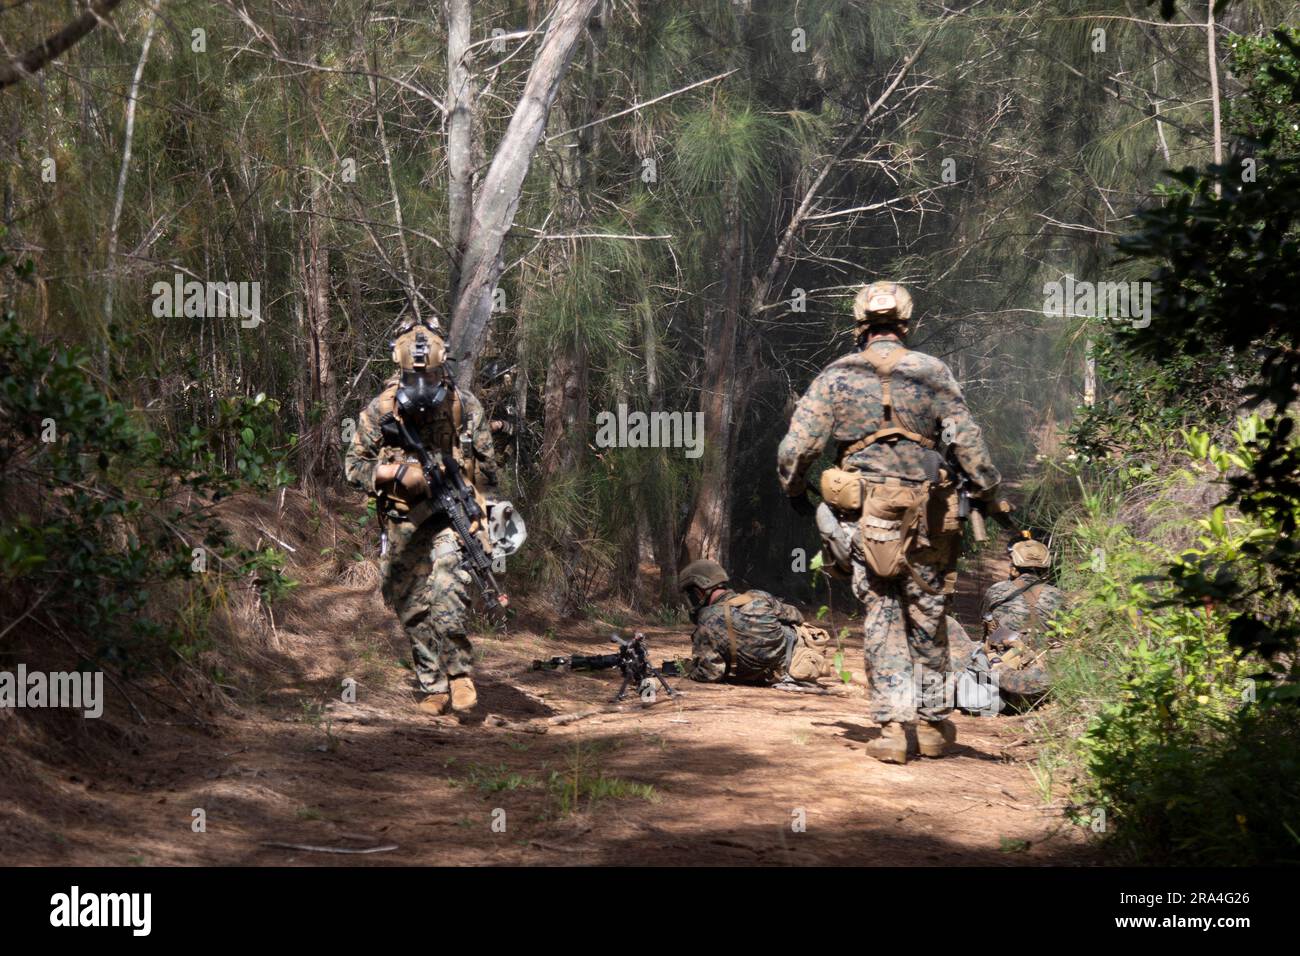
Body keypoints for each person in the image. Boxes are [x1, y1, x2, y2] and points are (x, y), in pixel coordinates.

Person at [777, 281, 1003, 763]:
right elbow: (968, 445)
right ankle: (934, 724)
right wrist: (988, 491)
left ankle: (895, 731)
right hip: (930, 519)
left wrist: (796, 493)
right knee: (928, 614)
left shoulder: (836, 376)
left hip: (866, 519)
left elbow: (797, 450)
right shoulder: (932, 372)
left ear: (860, 325)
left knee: (881, 616)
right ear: (905, 323)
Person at [344, 318, 500, 715]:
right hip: (403, 520)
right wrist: (396, 474)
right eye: (414, 372)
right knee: (410, 604)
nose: (421, 379)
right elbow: (353, 467)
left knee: (447, 586)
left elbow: (489, 471)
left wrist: (465, 485)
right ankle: (432, 685)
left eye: (428, 371)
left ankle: (460, 675)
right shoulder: (381, 409)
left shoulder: (463, 405)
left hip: (452, 517)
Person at [677, 559, 831, 686]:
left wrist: (688, 669)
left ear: (699, 591)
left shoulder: (707, 621)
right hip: (792, 659)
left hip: (764, 674)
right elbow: (796, 616)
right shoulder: (758, 596)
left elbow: (711, 673)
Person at [980, 533, 1065, 702]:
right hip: (1041, 670)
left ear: (1013, 568)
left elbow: (986, 628)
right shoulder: (1059, 596)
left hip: (1002, 665)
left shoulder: (996, 591)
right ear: (1046, 570)